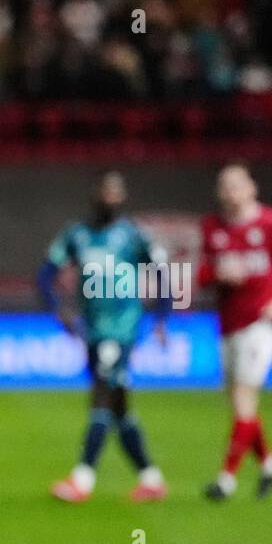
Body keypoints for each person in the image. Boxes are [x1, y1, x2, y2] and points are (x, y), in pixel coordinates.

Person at [40, 170, 169, 503]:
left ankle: (83, 479)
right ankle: (151, 478)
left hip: (122, 330)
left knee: (102, 396)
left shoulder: (133, 235)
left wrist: (161, 319)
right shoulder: (77, 234)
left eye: (117, 190)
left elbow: (161, 272)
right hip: (92, 330)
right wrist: (60, 311)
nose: (111, 196)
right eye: (105, 190)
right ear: (94, 194)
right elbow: (45, 275)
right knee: (119, 406)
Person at [198, 161, 272, 501]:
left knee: (245, 399)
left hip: (259, 325)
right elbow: (202, 276)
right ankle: (270, 465)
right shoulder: (213, 228)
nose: (230, 193)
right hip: (228, 325)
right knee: (240, 405)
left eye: (237, 185)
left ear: (252, 188)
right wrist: (219, 274)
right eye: (224, 186)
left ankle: (226, 480)